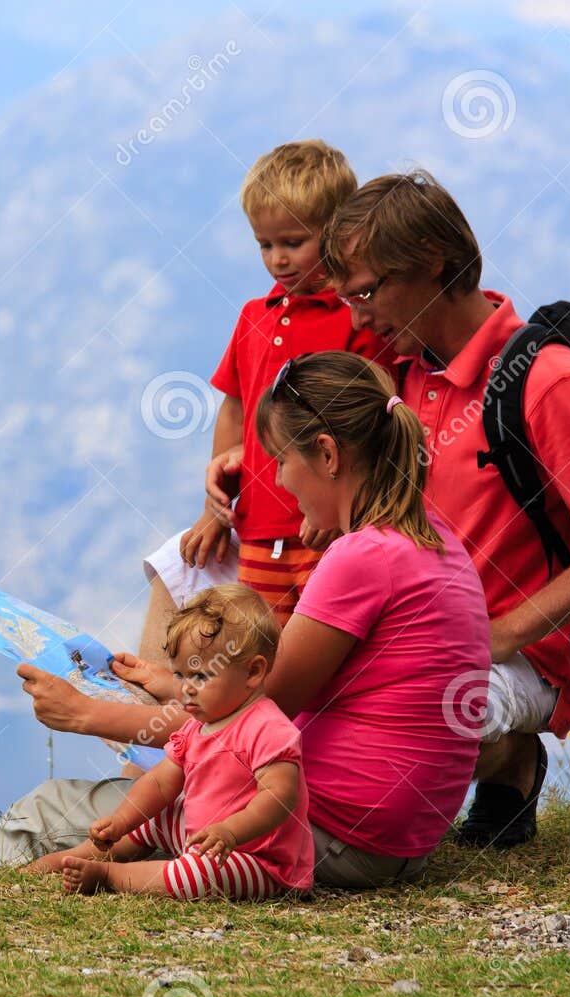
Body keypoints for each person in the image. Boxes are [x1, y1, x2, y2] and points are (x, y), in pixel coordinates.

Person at [0, 352, 491, 888]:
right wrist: (166, 683)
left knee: (52, 807)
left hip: (335, 832)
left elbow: (233, 723)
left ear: (327, 454)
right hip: (398, 838)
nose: (278, 480)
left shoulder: (363, 558)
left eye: (281, 459)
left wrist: (86, 713)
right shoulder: (435, 540)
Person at [321, 170, 570, 848]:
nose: (358, 316)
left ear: (432, 263)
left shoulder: (546, 380)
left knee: (415, 718)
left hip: (516, 655)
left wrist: (501, 633)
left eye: (368, 291)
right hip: (418, 636)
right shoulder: (407, 376)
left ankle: (512, 759)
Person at [137, 140, 386, 661]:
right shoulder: (255, 316)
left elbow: (374, 419)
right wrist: (215, 508)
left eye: (293, 242)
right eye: (264, 244)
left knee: (327, 653)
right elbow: (234, 407)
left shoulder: (357, 319)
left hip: (330, 529)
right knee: (259, 651)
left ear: (338, 234)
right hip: (258, 529)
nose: (277, 259)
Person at [27, 584, 311, 900]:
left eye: (201, 677)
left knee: (199, 874)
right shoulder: (198, 725)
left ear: (253, 672)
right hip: (203, 837)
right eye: (180, 675)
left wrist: (230, 831)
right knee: (160, 814)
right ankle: (86, 854)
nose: (186, 689)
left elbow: (279, 797)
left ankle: (111, 875)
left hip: (259, 861)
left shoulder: (268, 728)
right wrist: (121, 822)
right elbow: (161, 784)